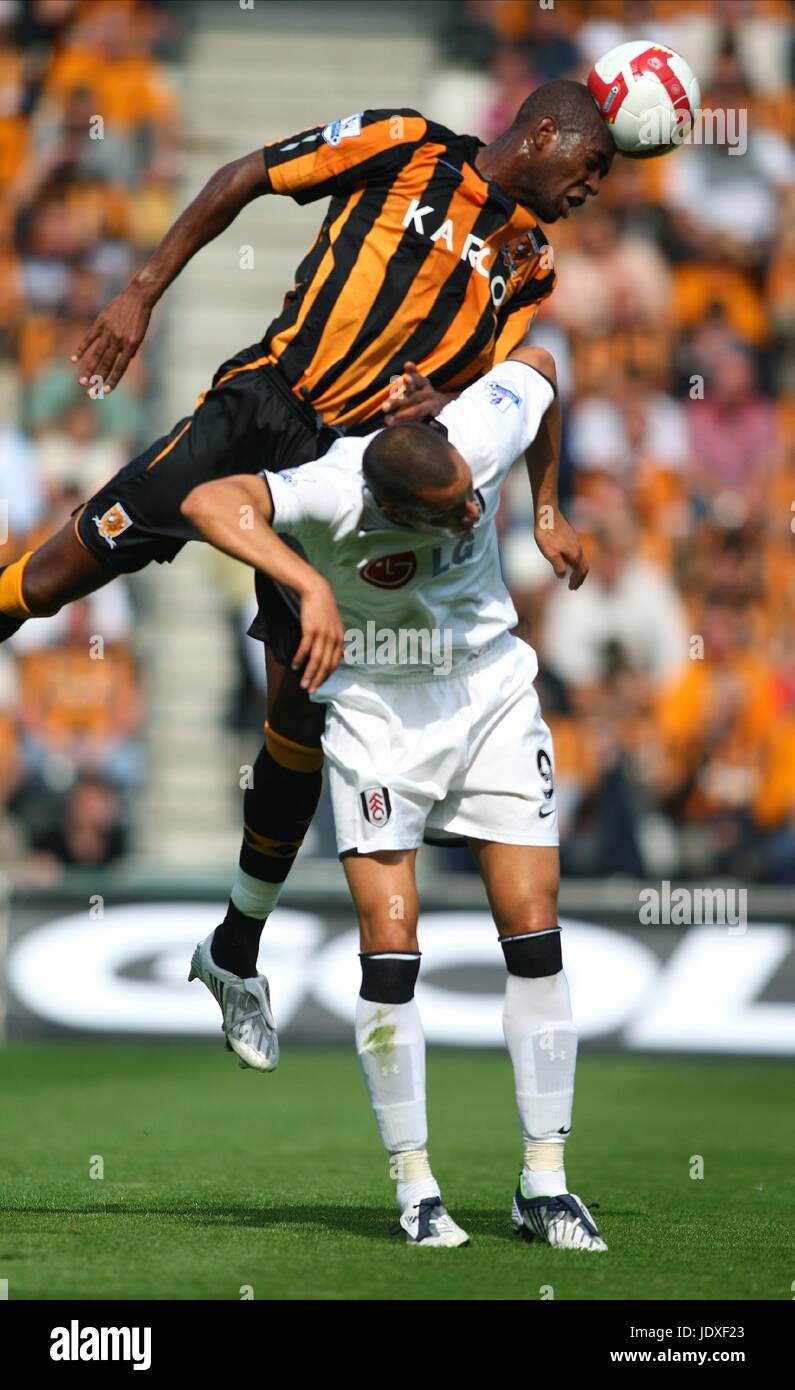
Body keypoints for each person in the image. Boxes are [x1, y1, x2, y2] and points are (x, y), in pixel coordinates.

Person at [0, 82, 613, 999]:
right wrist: (140, 290)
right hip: (260, 406)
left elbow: (506, 390)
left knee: (297, 716)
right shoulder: (406, 145)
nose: (592, 189)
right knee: (52, 576)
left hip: (342, 478)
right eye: (591, 166)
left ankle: (235, 953)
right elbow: (246, 175)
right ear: (546, 133)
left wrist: (535, 499)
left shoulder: (529, 263)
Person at [182, 342, 607, 1252]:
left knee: (533, 931)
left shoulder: (471, 437)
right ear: (393, 509)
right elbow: (206, 500)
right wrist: (305, 584)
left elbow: (538, 365)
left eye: (471, 492)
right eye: (451, 509)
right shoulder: (335, 488)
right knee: (390, 943)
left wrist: (547, 506)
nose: (469, 510)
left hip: (491, 692)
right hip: (381, 713)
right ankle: (415, 1188)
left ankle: (545, 1183)